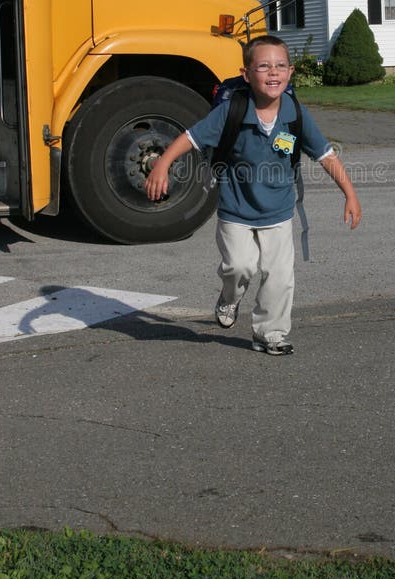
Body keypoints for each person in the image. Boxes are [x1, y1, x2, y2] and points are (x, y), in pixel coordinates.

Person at [145, 35, 362, 356]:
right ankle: (229, 297)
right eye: (263, 66)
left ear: (290, 73)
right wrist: (162, 163)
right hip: (236, 212)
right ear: (247, 74)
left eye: (280, 66)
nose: (272, 73)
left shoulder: (295, 114)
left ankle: (270, 334)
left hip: (279, 213)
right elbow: (191, 137)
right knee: (239, 267)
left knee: (280, 277)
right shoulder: (232, 111)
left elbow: (326, 155)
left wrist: (350, 193)